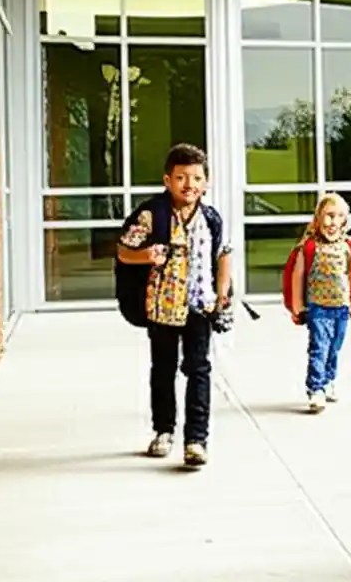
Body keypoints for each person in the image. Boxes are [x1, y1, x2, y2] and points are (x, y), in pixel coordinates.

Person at [116, 143, 232, 468]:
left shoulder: (210, 218)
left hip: (200, 307)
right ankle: (164, 431)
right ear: (168, 180)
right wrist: (144, 256)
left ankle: (196, 439)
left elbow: (224, 254)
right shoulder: (152, 215)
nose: (189, 184)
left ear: (206, 182)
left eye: (196, 178)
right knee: (163, 370)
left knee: (199, 370)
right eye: (181, 177)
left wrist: (222, 292)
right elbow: (123, 250)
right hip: (163, 306)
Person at [288, 192, 351, 412]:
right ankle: (315, 388)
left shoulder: (349, 245)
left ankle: (329, 379)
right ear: (318, 218)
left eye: (339, 217)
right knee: (319, 347)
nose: (333, 222)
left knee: (335, 347)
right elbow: (297, 275)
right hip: (317, 307)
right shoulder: (309, 246)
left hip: (341, 306)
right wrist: (297, 304)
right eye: (329, 215)